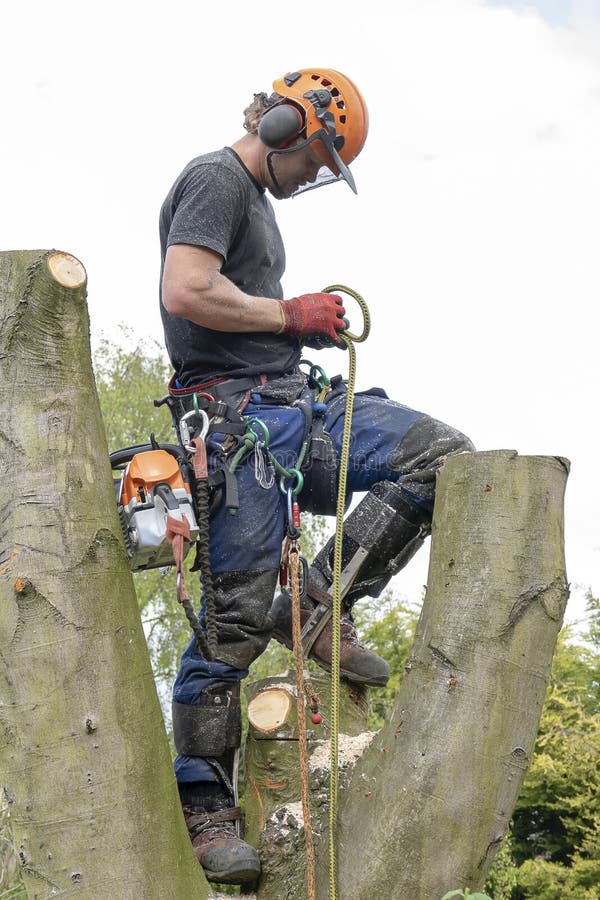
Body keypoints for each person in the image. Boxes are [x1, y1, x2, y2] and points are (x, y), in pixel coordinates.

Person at [159, 68, 474, 885]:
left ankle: (310, 604)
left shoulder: (256, 201)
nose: (315, 179)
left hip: (298, 407)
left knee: (440, 454)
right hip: (237, 428)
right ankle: (205, 804)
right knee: (230, 625)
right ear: (286, 126)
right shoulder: (214, 179)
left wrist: (296, 334)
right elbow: (186, 289)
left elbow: (239, 304)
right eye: (318, 161)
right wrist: (286, 314)